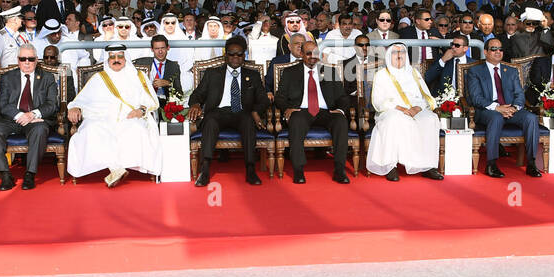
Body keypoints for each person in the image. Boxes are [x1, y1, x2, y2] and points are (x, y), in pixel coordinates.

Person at [66, 44, 162, 187]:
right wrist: (75, 107)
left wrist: (140, 111)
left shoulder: (138, 76)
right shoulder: (99, 78)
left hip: (130, 116)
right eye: (112, 57)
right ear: (107, 59)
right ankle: (116, 168)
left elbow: (151, 100)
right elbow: (82, 99)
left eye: (120, 57)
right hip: (100, 117)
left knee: (136, 129)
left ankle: (117, 168)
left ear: (125, 58)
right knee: (91, 130)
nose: (116, 60)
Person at [188, 36, 268, 186]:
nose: (235, 57)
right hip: (218, 112)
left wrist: (256, 111)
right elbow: (197, 94)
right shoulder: (213, 73)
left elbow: (263, 99)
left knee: (248, 121)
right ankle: (204, 170)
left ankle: (250, 169)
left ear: (244, 55)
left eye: (239, 54)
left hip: (242, 113)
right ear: (226, 55)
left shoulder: (253, 75)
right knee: (210, 121)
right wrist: (196, 104)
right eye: (232, 54)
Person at [275, 40, 352, 184]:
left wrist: (340, 110)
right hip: (301, 110)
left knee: (341, 121)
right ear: (301, 54)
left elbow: (342, 97)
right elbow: (279, 97)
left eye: (315, 53)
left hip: (326, 111)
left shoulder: (329, 71)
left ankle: (339, 170)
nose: (312, 56)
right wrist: (287, 108)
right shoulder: (291, 72)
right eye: (308, 53)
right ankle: (298, 170)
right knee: (296, 121)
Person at [0, 44, 59, 190]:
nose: (26, 62)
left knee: (40, 130)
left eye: (30, 59)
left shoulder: (47, 77)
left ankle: (30, 174)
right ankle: (5, 175)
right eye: (23, 58)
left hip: (35, 120)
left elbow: (52, 105)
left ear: (36, 60)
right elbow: (2, 103)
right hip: (11, 119)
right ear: (18, 60)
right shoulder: (8, 77)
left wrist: (32, 114)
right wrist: (19, 115)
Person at [367, 43, 443, 180]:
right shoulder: (381, 75)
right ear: (389, 56)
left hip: (415, 109)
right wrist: (401, 108)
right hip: (392, 110)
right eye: (395, 52)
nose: (399, 55)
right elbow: (378, 101)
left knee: (430, 119)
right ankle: (391, 166)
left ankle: (427, 166)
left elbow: (425, 96)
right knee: (396, 120)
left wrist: (417, 108)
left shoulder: (414, 73)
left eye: (402, 52)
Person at [467, 39, 542, 178]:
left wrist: (513, 107)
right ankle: (492, 164)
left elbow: (519, 94)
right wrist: (497, 108)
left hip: (510, 110)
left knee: (531, 118)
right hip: (487, 111)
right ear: (485, 52)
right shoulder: (475, 71)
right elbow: (476, 98)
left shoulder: (511, 71)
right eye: (494, 49)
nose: (498, 52)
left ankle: (531, 163)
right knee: (496, 118)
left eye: (500, 49)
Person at [143, 34, 183, 106]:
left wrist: (169, 83)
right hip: (146, 103)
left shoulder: (174, 66)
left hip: (166, 104)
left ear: (168, 48)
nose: (160, 52)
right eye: (157, 49)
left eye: (162, 48)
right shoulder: (143, 63)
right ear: (152, 49)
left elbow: (179, 92)